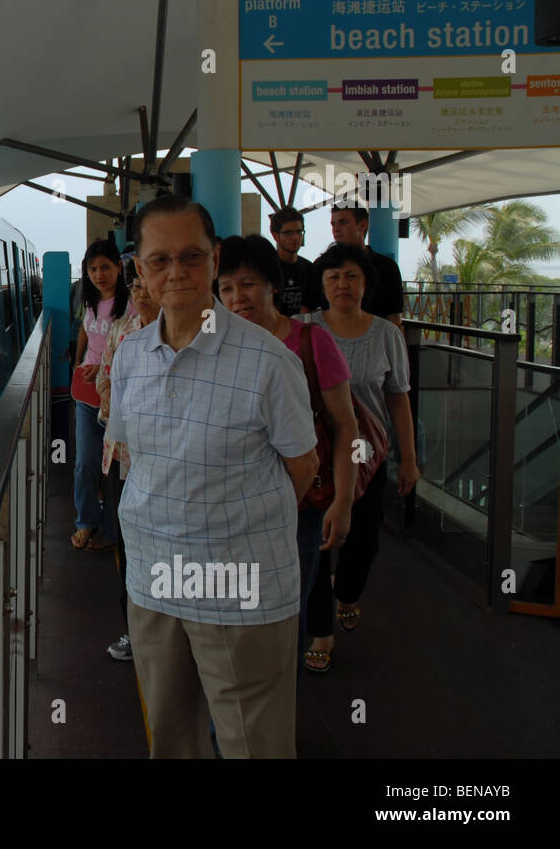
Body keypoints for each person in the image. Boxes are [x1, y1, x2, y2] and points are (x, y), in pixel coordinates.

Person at [106, 196, 318, 758]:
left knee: (255, 743)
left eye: (192, 256)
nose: (176, 272)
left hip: (240, 587)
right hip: (153, 580)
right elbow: (133, 455)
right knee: (171, 738)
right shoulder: (130, 356)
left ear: (216, 258)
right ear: (140, 270)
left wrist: (236, 523)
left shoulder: (269, 363)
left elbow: (304, 469)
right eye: (159, 260)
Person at [216, 235, 359, 669]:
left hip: (299, 508)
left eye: (248, 284)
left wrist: (344, 501)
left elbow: (345, 424)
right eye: (225, 288)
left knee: (284, 619)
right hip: (232, 508)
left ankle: (276, 723)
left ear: (272, 286)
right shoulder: (217, 349)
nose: (237, 298)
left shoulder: (312, 342)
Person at [302, 242, 420, 673]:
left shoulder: (386, 335)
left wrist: (409, 459)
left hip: (366, 455)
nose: (342, 284)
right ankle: (320, 630)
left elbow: (398, 401)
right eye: (333, 277)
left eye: (351, 276)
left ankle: (347, 592)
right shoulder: (304, 329)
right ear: (322, 284)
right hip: (314, 456)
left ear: (366, 283)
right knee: (314, 542)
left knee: (363, 541)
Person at [96, 261, 159, 661]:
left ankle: (165, 636)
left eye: (144, 284)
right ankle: (134, 632)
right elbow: (105, 374)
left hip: (162, 465)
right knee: (128, 546)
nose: (139, 292)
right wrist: (106, 394)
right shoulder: (122, 331)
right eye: (135, 285)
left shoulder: (184, 334)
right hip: (121, 459)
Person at [71, 239, 130, 551]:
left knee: (113, 466)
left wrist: (105, 369)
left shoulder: (131, 306)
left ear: (119, 267)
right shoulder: (90, 299)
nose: (99, 274)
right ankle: (86, 520)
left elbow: (133, 349)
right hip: (87, 392)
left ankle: (110, 532)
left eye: (105, 267)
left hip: (117, 397)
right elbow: (85, 330)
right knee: (85, 462)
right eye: (93, 268)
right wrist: (80, 360)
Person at [326, 205, 405, 326]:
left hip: (375, 341)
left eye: (343, 222)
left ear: (362, 225)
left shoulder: (387, 267)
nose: (336, 229)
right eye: (333, 224)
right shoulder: (324, 266)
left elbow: (393, 317)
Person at [269, 207, 321, 315]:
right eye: (288, 233)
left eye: (299, 232)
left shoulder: (309, 269)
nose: (295, 238)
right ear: (275, 235)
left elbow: (311, 307)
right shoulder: (266, 268)